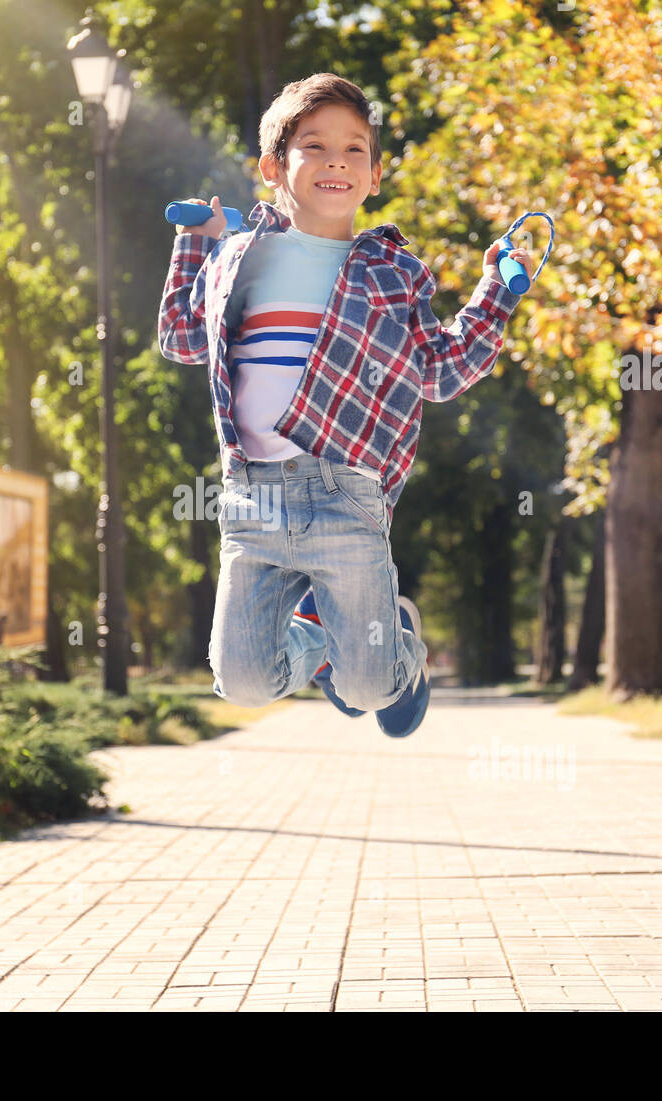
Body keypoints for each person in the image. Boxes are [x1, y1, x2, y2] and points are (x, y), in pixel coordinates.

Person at [157, 73, 537, 737]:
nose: (336, 160)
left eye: (355, 148)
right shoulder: (234, 257)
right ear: (274, 167)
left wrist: (495, 294)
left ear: (375, 174)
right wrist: (200, 238)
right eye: (315, 145)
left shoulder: (392, 272)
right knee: (241, 680)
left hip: (347, 495)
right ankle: (312, 635)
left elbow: (442, 370)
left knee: (366, 687)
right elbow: (180, 338)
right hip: (252, 499)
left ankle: (401, 648)